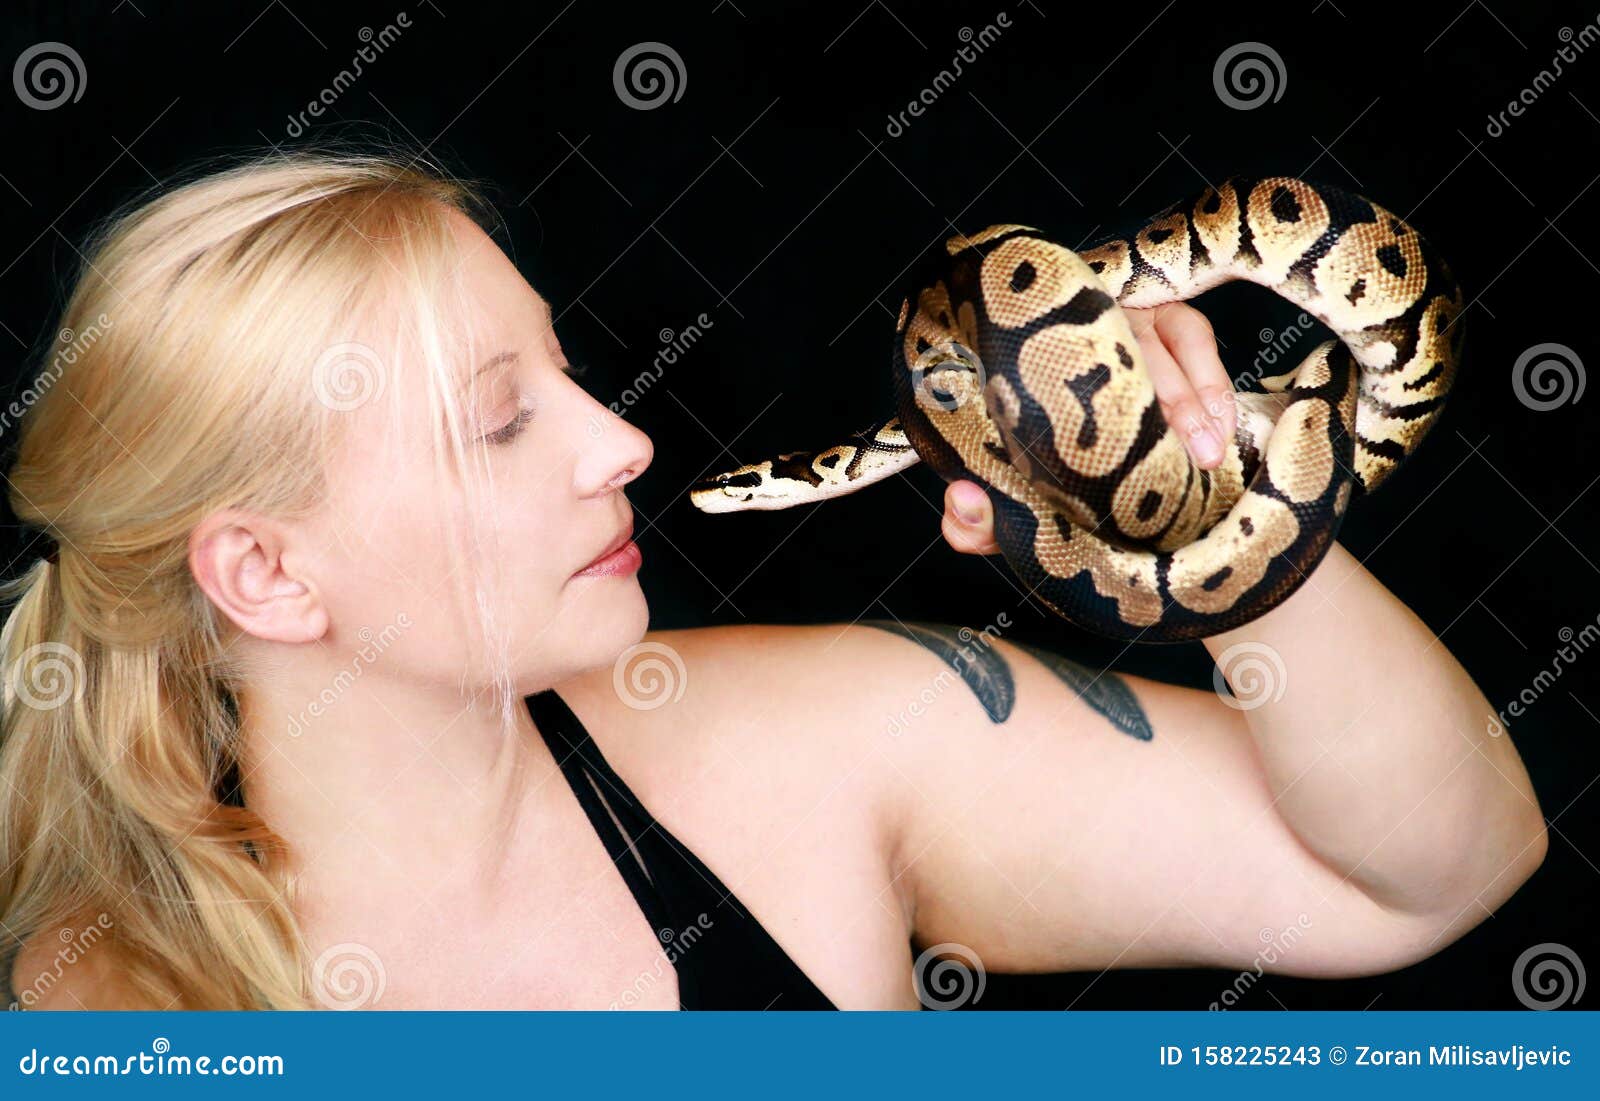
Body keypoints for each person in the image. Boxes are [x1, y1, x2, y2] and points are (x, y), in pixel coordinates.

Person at [0, 151, 1545, 1010]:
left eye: (568, 371)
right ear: (265, 572)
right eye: (497, 419)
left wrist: (1230, 532)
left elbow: (1432, 874)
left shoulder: (820, 741)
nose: (623, 439)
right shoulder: (119, 1003)